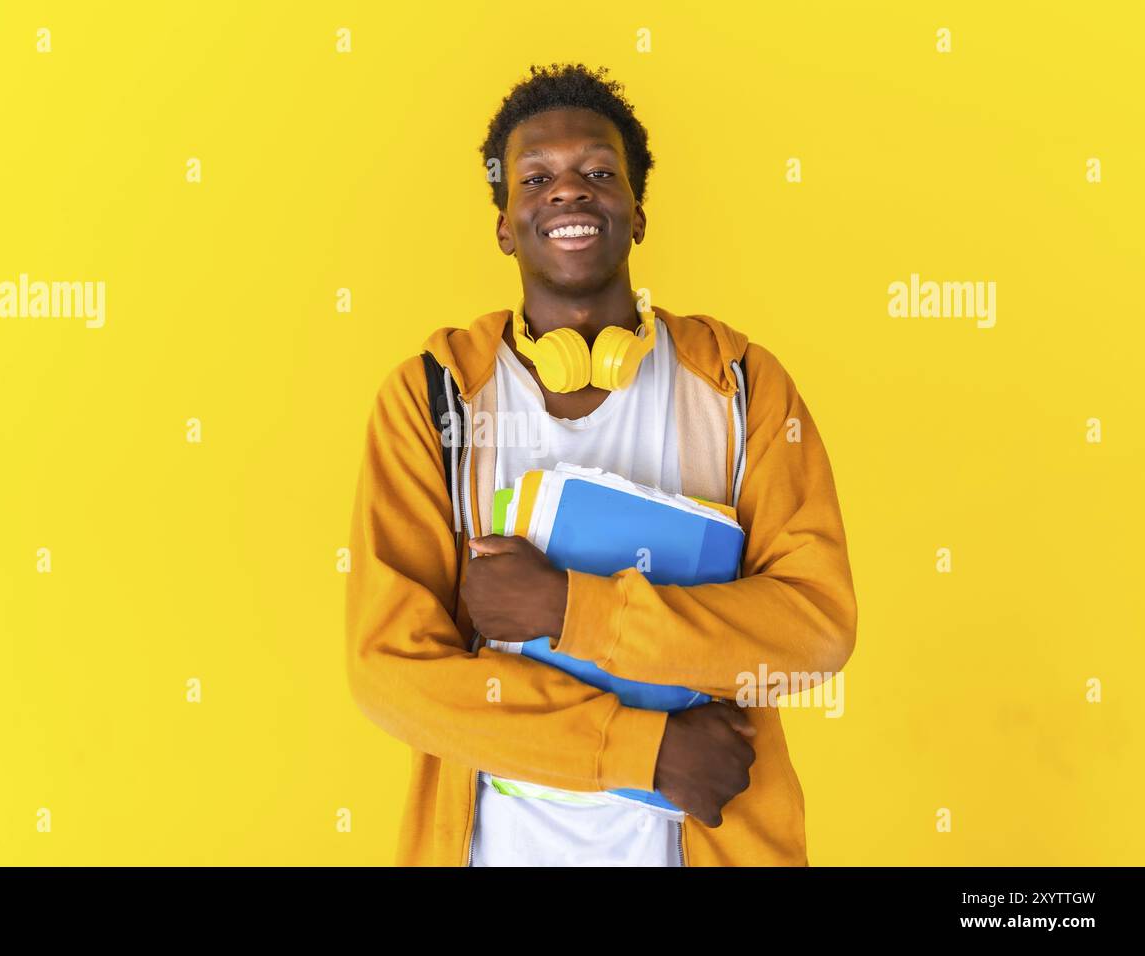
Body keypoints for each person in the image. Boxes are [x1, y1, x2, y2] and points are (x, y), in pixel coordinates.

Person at [345, 63, 857, 866]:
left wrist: (566, 609)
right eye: (537, 178)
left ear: (637, 213)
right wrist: (642, 753)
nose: (569, 192)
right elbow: (392, 673)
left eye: (598, 172)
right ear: (506, 225)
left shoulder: (741, 387)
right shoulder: (432, 398)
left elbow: (815, 629)